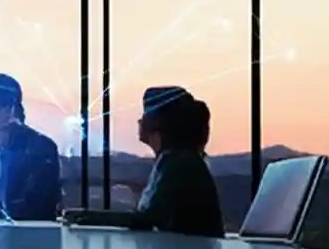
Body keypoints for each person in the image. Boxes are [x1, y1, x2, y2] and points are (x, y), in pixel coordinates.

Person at [62, 86, 225, 237]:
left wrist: (87, 217)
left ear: (158, 122)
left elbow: (146, 219)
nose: (139, 121)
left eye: (144, 114)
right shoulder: (177, 161)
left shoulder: (178, 165)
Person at [0, 73, 63, 221]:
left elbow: (36, 206)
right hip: (0, 239)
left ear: (9, 109)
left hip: (35, 239)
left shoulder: (40, 149)